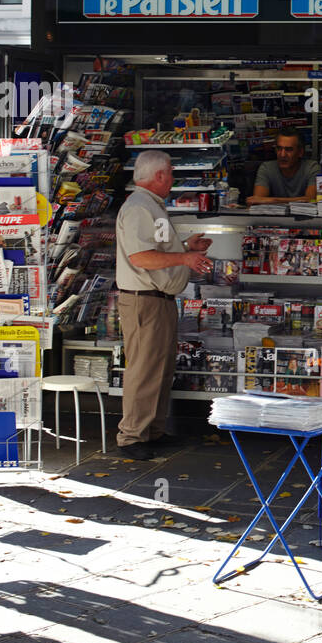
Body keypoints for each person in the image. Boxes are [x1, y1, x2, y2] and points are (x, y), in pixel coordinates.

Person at [114, 150, 213, 460]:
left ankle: (152, 432)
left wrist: (185, 248)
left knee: (159, 369)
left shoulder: (150, 206)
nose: (173, 177)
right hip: (144, 301)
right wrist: (184, 257)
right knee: (144, 369)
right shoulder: (139, 208)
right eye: (171, 172)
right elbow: (140, 257)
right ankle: (132, 437)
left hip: (158, 300)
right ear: (158, 176)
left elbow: (152, 251)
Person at [248, 130, 319, 205]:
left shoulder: (312, 168)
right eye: (279, 148)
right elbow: (256, 201)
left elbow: (312, 200)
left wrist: (273, 200)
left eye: (288, 150)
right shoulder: (266, 168)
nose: (282, 155)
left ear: (300, 152)